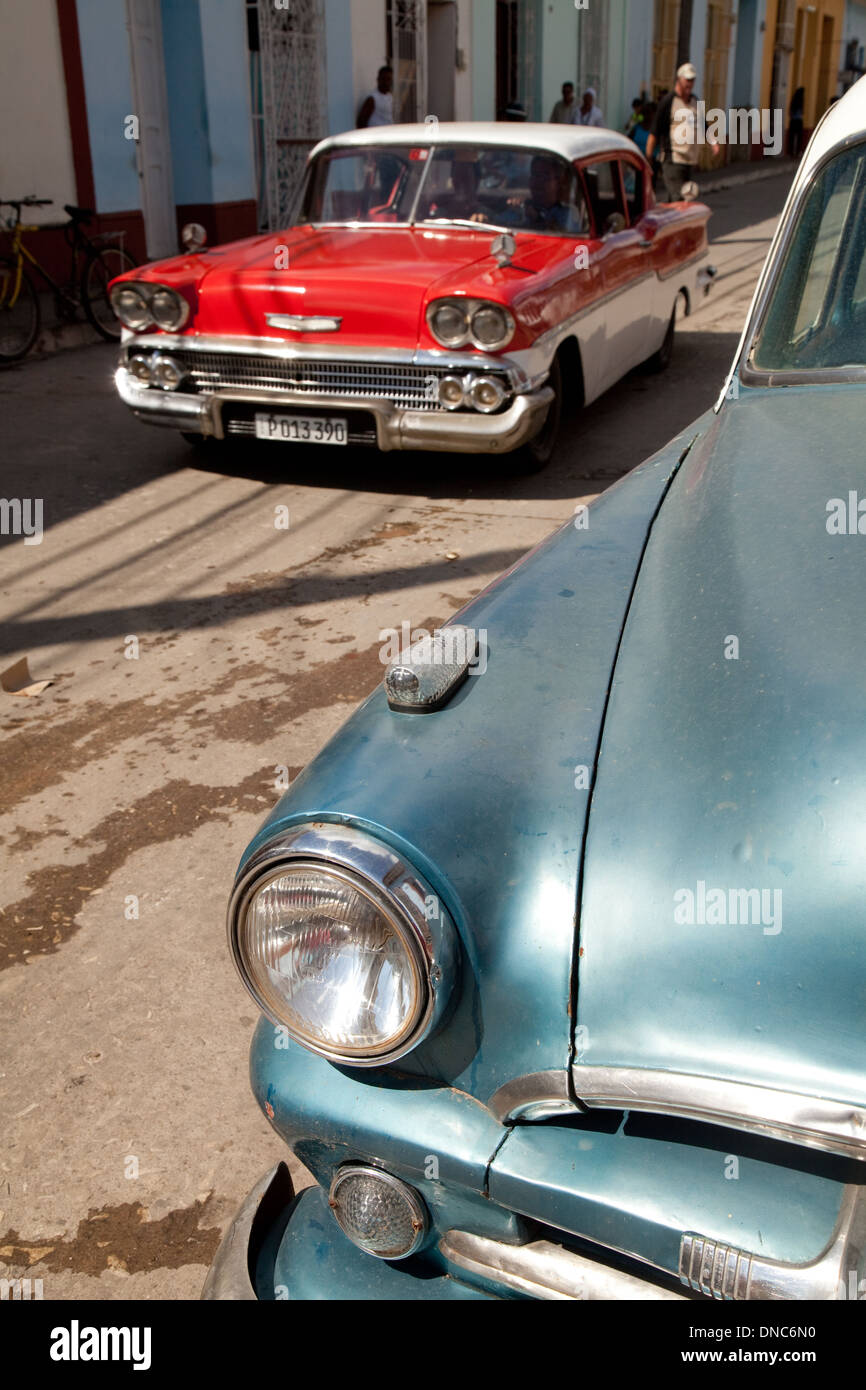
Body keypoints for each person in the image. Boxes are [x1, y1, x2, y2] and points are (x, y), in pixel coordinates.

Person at [646, 62, 720, 201]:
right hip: (673, 158)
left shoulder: (695, 101)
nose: (690, 83)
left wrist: (713, 143)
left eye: (692, 80)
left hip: (689, 159)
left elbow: (703, 124)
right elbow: (655, 130)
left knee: (679, 199)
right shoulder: (668, 101)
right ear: (679, 79)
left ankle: (668, 220)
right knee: (680, 197)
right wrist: (648, 157)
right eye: (687, 79)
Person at [504, 154, 573, 232]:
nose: (538, 181)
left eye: (545, 176)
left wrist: (538, 219)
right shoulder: (520, 207)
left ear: (558, 183)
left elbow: (565, 235)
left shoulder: (567, 215)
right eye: (535, 175)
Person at [789, 86, 805, 158]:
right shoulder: (801, 100)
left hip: (793, 121)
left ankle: (792, 152)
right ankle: (797, 152)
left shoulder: (794, 100)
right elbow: (802, 112)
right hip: (799, 121)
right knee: (799, 138)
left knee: (792, 137)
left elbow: (790, 112)